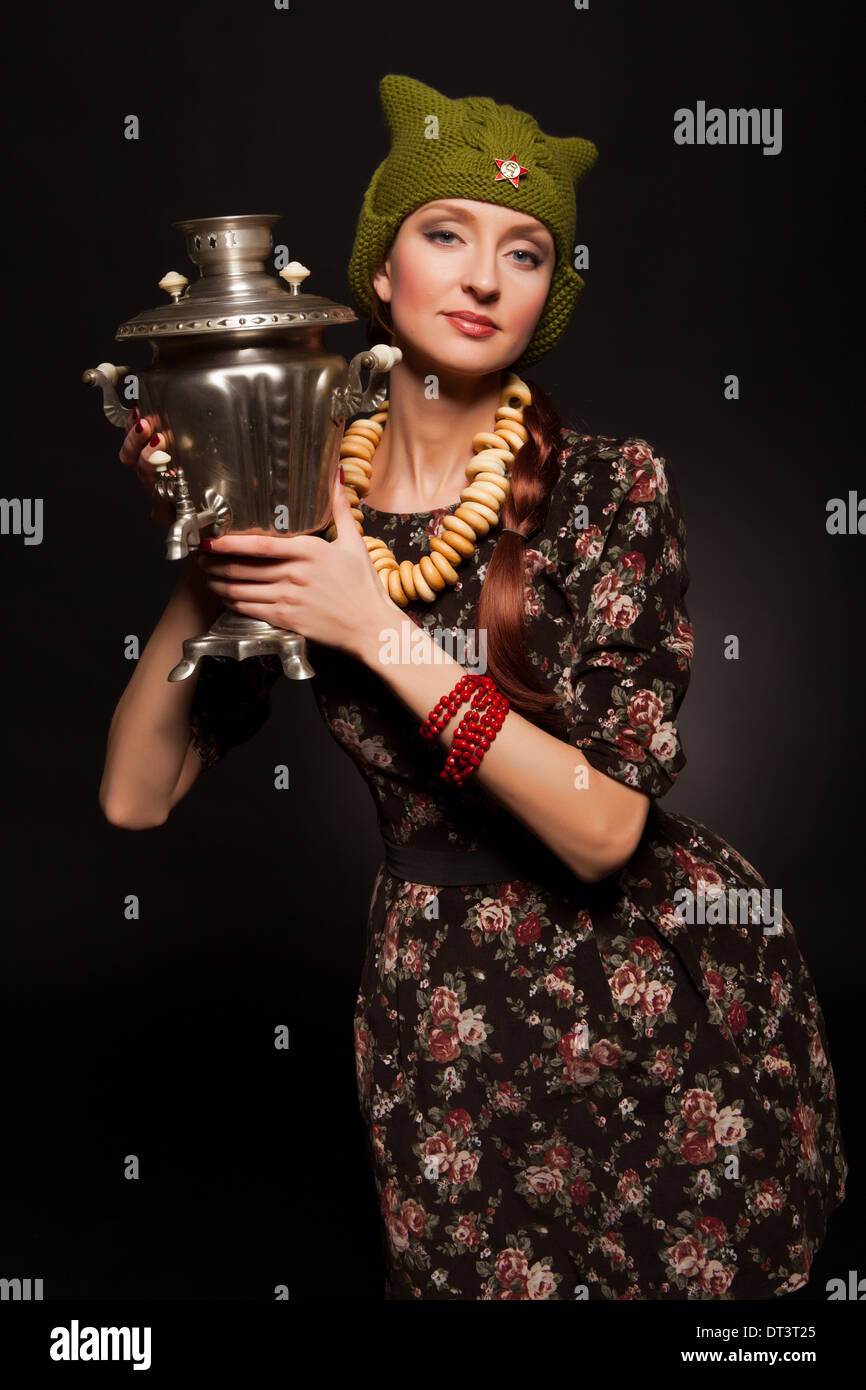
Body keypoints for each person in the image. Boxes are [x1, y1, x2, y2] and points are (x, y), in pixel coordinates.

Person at [101, 74, 847, 1300]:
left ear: (549, 295)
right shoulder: (315, 503)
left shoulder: (611, 489)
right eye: (444, 234)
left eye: (526, 251)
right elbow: (135, 797)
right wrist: (214, 532)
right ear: (378, 278)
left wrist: (368, 621)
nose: (484, 277)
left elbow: (607, 832)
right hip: (439, 1001)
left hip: (654, 985)